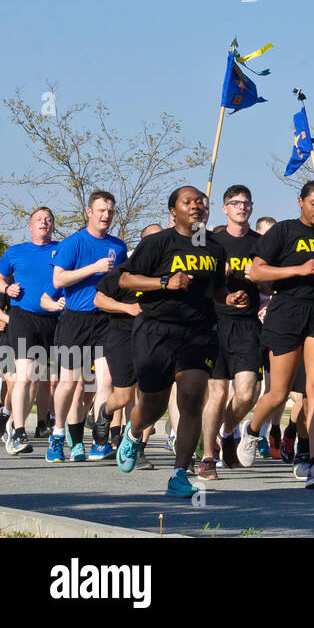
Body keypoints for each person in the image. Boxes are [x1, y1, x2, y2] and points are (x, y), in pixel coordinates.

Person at [115, 186, 236, 498]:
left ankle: (179, 473)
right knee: (152, 403)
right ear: (173, 211)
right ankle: (133, 431)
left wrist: (230, 297)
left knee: (193, 399)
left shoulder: (214, 247)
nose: (196, 207)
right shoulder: (158, 243)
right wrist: (166, 281)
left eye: (200, 202)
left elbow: (217, 290)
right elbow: (125, 280)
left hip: (199, 331)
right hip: (157, 329)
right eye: (188, 202)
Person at [236, 182, 314, 484]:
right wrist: (297, 270)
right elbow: (256, 273)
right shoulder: (283, 231)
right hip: (287, 312)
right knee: (278, 393)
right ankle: (252, 430)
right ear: (300, 202)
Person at [49, 191, 127, 462]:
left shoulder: (118, 247)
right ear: (89, 212)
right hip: (76, 319)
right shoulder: (74, 243)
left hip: (105, 319)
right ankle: (59, 435)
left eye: (110, 211)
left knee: (106, 379)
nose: (106, 216)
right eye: (101, 210)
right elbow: (59, 280)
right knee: (70, 383)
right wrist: (92, 268)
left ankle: (99, 439)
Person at [202, 184, 264, 477]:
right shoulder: (212, 241)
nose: (242, 207)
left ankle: (227, 432)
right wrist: (218, 274)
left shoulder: (260, 242)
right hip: (215, 323)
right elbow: (197, 282)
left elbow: (269, 285)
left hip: (248, 325)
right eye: (235, 203)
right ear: (224, 208)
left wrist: (261, 279)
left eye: (247, 203)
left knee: (247, 393)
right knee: (216, 394)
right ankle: (207, 456)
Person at [93, 224, 164, 469]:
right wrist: (128, 309)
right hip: (122, 335)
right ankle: (105, 412)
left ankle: (138, 448)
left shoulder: (168, 276)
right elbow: (99, 299)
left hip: (154, 338)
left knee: (149, 396)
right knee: (123, 397)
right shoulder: (126, 271)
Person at [0, 207, 60, 456]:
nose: (44, 223)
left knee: (47, 378)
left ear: (53, 226)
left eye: (48, 220)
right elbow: (0, 278)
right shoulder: (15, 252)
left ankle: (47, 423)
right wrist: (7, 289)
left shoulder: (63, 249)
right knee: (23, 375)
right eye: (39, 219)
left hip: (55, 318)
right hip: (23, 317)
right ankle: (18, 430)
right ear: (30, 226)